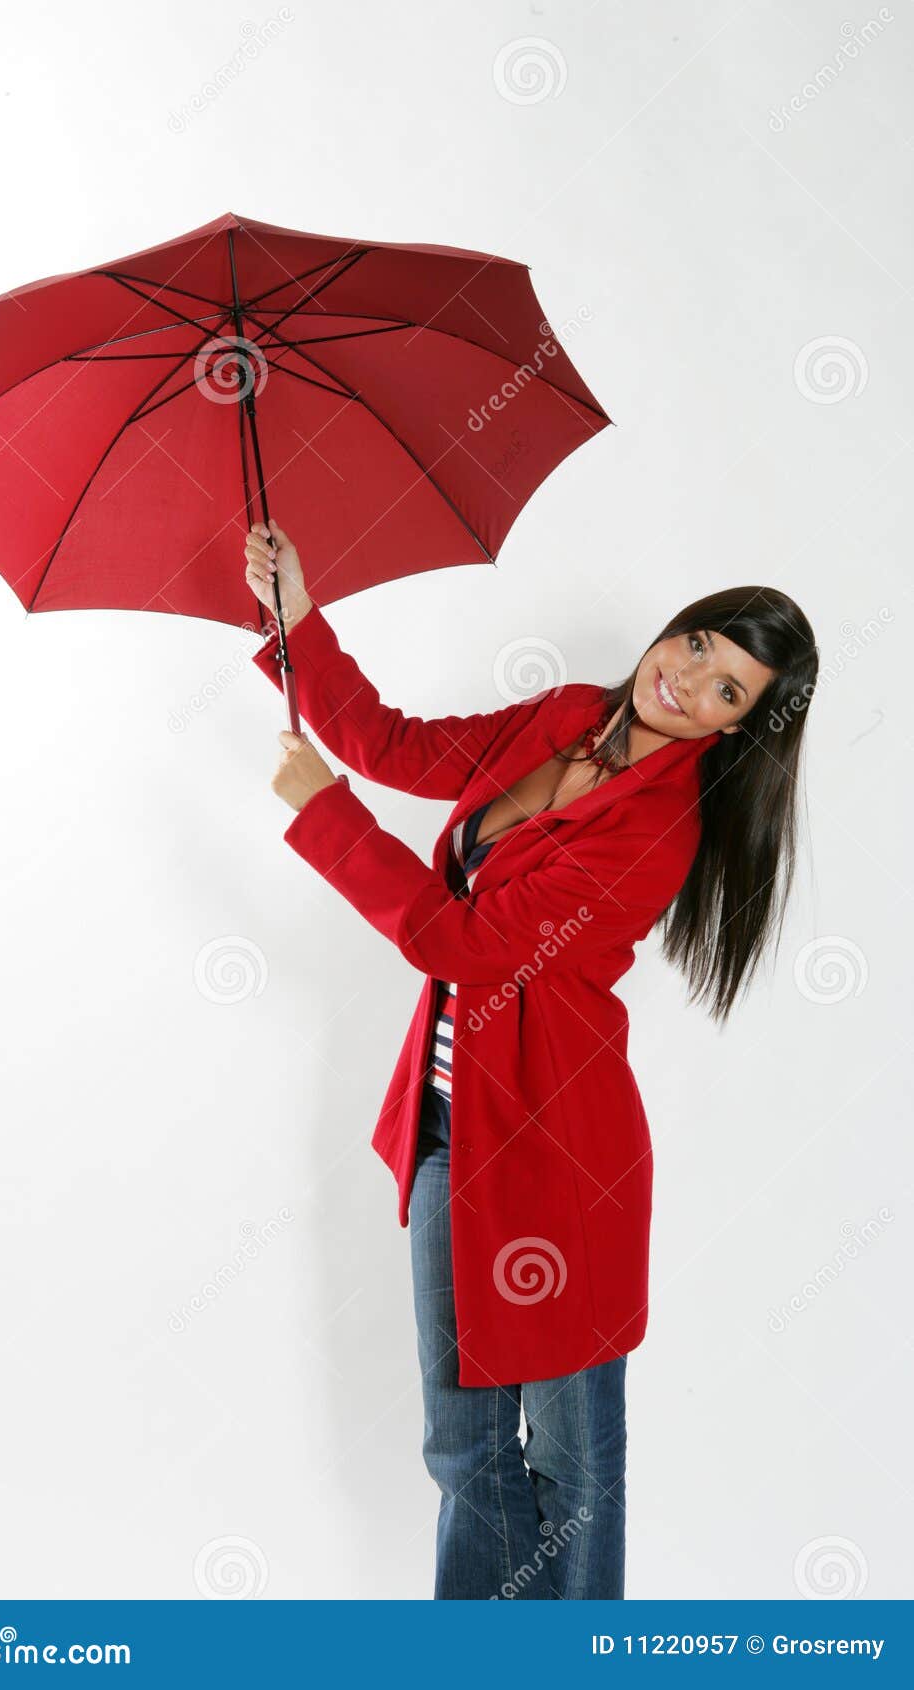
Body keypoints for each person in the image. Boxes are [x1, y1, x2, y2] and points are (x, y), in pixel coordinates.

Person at [244, 518, 818, 1601]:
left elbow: (464, 946)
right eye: (698, 646)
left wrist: (323, 816)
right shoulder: (565, 716)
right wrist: (298, 617)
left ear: (740, 730)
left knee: (571, 1465)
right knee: (462, 1450)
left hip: (558, 1160)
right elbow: (395, 744)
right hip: (448, 1132)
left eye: (727, 692)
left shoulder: (658, 830)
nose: (688, 681)